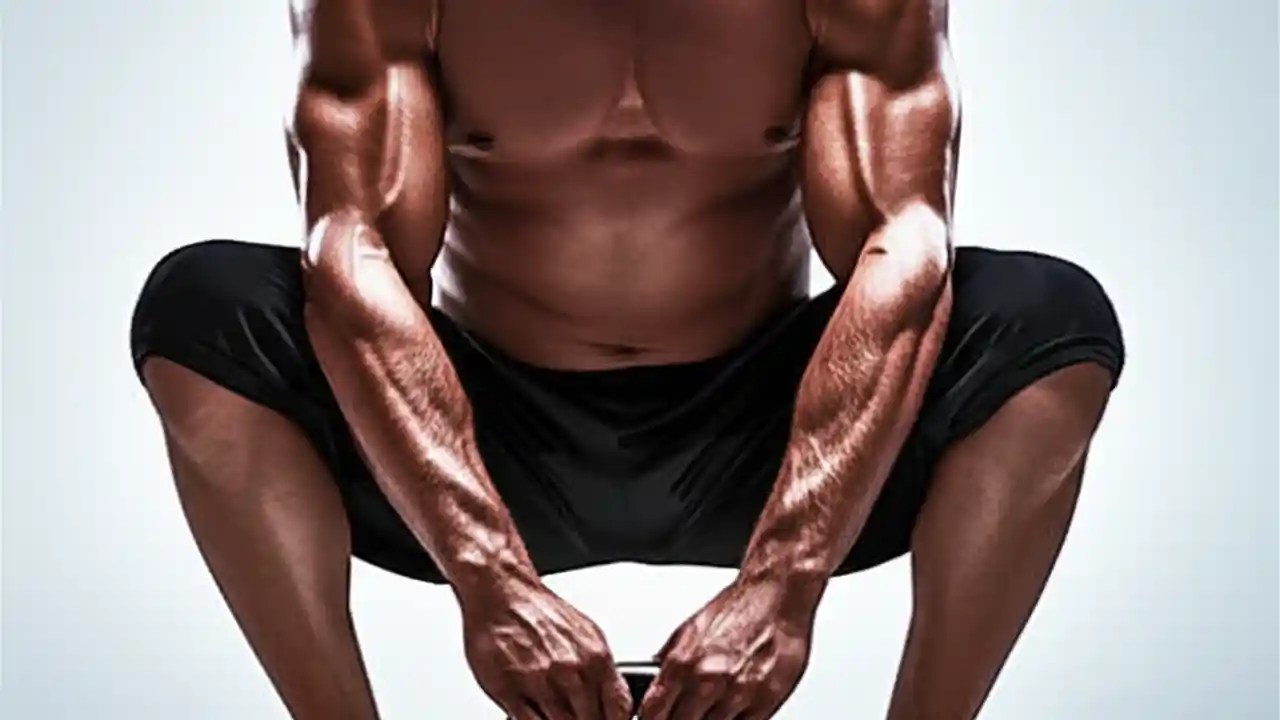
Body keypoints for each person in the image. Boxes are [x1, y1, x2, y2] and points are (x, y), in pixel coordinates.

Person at [129, 0, 1125, 717]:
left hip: (773, 440)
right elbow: (354, 258)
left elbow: (902, 250)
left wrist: (782, 587)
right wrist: (490, 580)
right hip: (471, 443)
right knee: (208, 306)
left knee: (1044, 319)